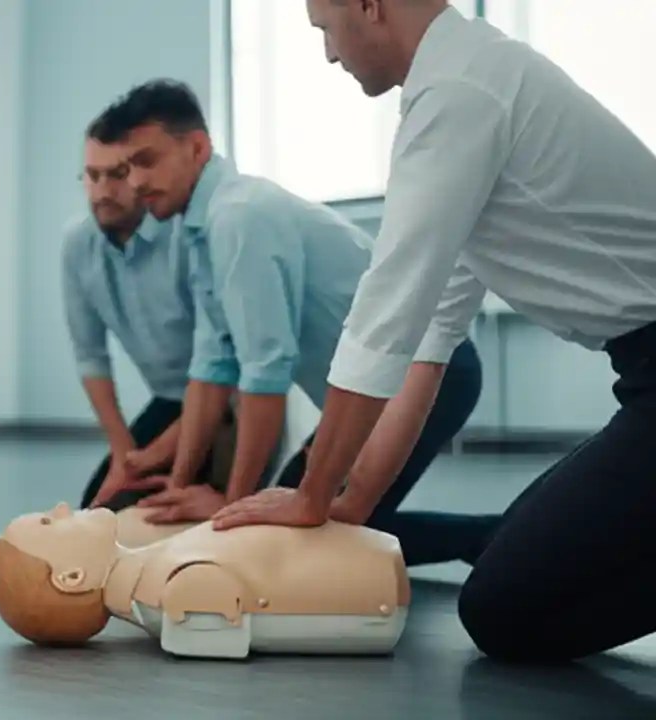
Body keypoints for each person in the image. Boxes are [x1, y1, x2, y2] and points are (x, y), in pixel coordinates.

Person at [220, 0, 656, 662]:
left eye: (323, 29)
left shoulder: (460, 93)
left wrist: (311, 495)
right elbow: (428, 338)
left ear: (369, 6)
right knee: (509, 557)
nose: (329, 53)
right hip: (643, 379)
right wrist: (352, 500)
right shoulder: (466, 83)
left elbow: (386, 309)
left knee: (503, 609)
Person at [92, 78, 498, 567]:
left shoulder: (239, 216)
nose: (134, 182)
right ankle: (491, 538)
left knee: (296, 532)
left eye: (145, 161)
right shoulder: (202, 229)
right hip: (364, 395)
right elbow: (212, 368)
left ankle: (495, 538)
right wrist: (178, 487)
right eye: (126, 167)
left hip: (433, 370)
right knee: (289, 520)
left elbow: (265, 374)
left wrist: (229, 513)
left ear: (196, 148)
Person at [62, 124, 237, 511]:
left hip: (227, 400)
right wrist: (125, 455)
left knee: (211, 524)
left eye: (118, 174)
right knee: (100, 512)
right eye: (92, 176)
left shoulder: (188, 234)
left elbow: (224, 368)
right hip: (170, 401)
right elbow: (90, 355)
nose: (104, 191)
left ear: (141, 174)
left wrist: (152, 456)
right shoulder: (77, 244)